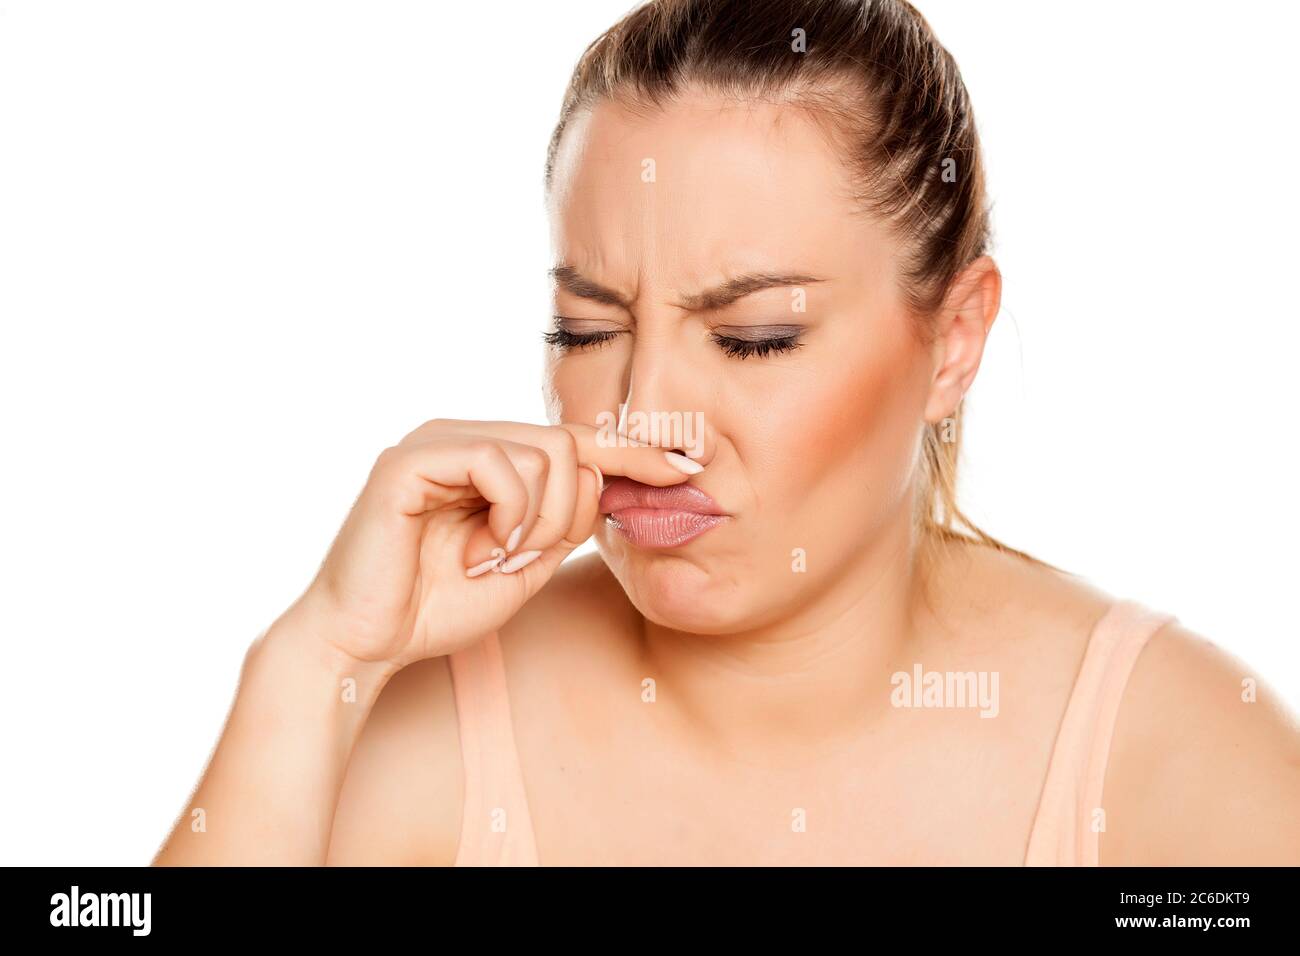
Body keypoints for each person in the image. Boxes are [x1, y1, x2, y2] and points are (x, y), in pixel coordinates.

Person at [153, 0, 1300, 866]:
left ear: (952, 340)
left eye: (754, 335)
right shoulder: (426, 727)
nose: (646, 409)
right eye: (585, 327)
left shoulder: (1179, 756)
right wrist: (314, 662)